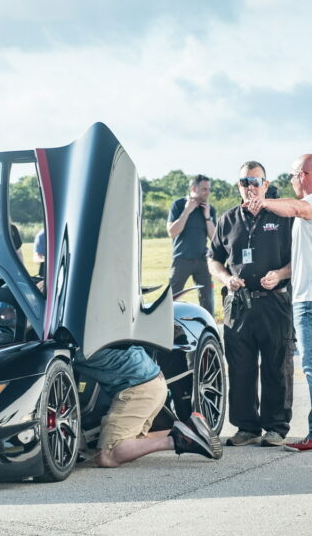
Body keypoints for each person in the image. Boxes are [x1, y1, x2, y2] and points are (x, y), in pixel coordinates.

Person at [246, 154, 312, 452]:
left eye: (291, 176)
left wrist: (263, 202)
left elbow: (296, 207)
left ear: (302, 175)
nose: (290, 181)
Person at [208, 161, 294, 447]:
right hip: (239, 305)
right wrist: (225, 278)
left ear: (266, 185)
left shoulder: (283, 217)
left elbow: (303, 259)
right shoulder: (228, 219)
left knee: (276, 366)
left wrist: (280, 274)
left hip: (274, 302)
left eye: (256, 182)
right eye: (245, 182)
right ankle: (246, 426)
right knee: (241, 367)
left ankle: (276, 427)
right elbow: (214, 259)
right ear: (238, 186)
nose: (250, 187)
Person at [74, 345, 221, 467]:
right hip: (154, 381)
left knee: (107, 456)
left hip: (139, 389)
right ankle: (190, 429)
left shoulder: (77, 341)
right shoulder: (98, 328)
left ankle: (178, 439)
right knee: (133, 441)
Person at [167, 174, 217, 315]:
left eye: (209, 189)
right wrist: (187, 210)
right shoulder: (177, 205)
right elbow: (172, 232)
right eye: (204, 189)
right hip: (181, 260)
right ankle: (170, 327)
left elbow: (214, 237)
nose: (207, 192)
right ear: (194, 188)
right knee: (172, 298)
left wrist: (207, 216)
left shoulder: (209, 209)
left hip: (202, 260)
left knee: (207, 300)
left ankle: (209, 329)